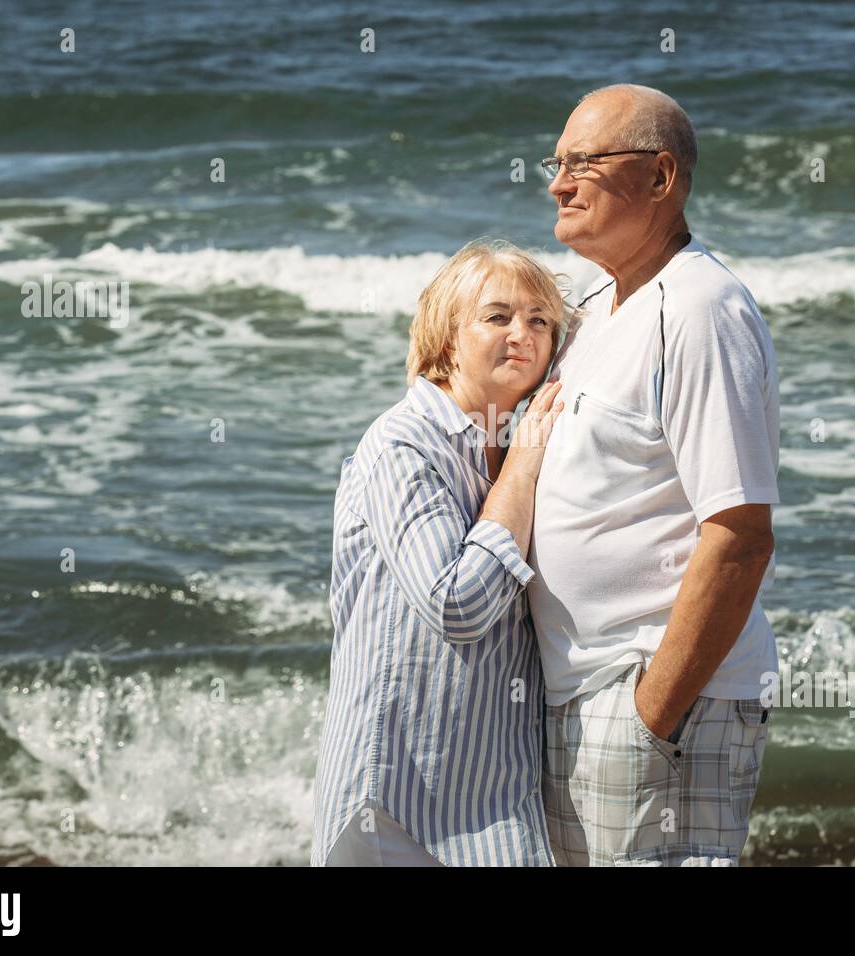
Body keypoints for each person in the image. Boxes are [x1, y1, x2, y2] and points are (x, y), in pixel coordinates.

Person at [530, 84, 781, 866]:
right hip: (579, 692)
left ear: (661, 178)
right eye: (556, 162)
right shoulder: (599, 302)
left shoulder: (702, 308)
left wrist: (651, 718)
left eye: (583, 164)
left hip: (651, 697)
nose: (557, 183)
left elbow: (739, 535)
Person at [310, 239, 571, 866]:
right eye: (497, 315)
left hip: (492, 803)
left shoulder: (502, 451)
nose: (523, 333)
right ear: (447, 338)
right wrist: (528, 460)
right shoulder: (406, 444)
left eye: (540, 321)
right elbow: (456, 605)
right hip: (396, 809)